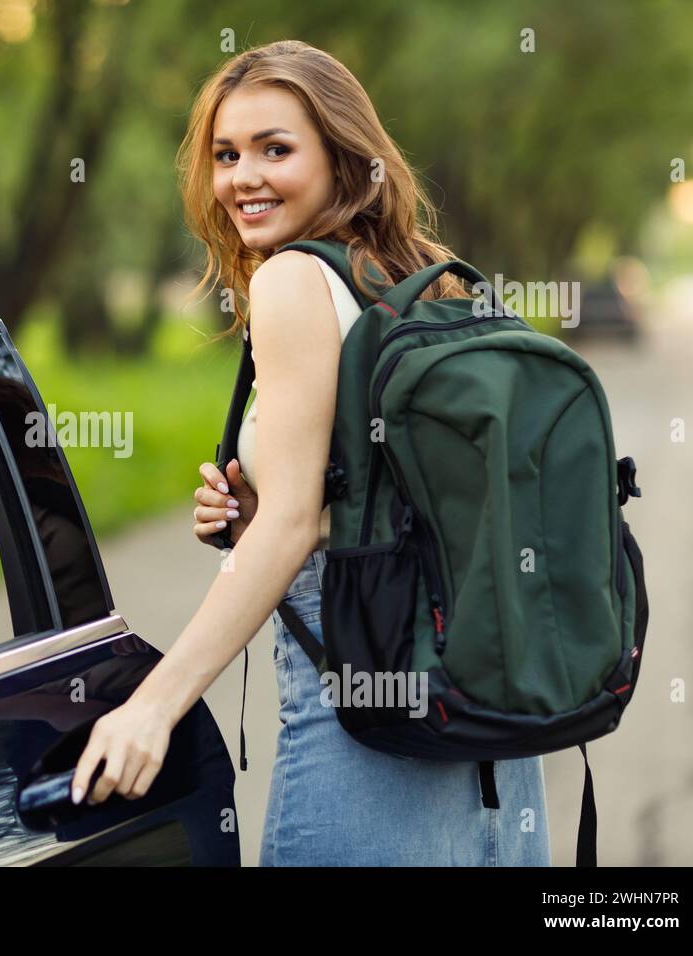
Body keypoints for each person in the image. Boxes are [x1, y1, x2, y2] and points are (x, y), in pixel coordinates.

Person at [70, 39, 550, 866]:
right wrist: (285, 505)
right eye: (226, 154)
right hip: (491, 730)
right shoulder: (430, 276)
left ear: (342, 157)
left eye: (275, 150)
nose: (242, 177)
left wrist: (155, 705)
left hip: (362, 711)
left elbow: (290, 530)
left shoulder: (291, 280)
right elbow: (408, 491)